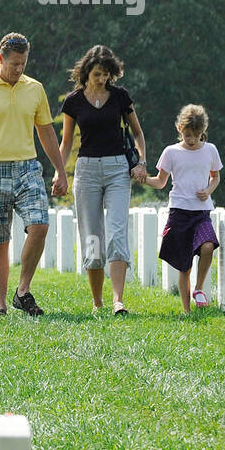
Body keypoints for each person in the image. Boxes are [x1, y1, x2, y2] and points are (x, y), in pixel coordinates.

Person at [0, 32, 67, 316]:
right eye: (14, 64)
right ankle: (0, 304)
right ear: (0, 59)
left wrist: (60, 170)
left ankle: (23, 290)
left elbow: (46, 132)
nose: (19, 70)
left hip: (27, 166)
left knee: (40, 225)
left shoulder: (35, 89)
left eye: (23, 64)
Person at [58, 46, 147, 315]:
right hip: (86, 172)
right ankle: (97, 302)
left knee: (117, 233)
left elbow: (138, 133)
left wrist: (141, 162)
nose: (101, 79)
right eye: (97, 74)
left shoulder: (120, 97)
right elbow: (65, 143)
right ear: (86, 73)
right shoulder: (73, 101)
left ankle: (118, 300)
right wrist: (59, 172)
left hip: (118, 168)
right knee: (93, 239)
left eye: (106, 74)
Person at [142, 104, 222, 313]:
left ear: (202, 131)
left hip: (201, 211)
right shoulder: (171, 152)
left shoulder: (210, 150)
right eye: (187, 135)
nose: (192, 139)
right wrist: (143, 179)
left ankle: (199, 288)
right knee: (184, 265)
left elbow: (215, 176)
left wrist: (209, 189)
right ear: (179, 129)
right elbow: (160, 182)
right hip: (179, 211)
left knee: (208, 246)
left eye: (196, 135)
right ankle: (187, 311)